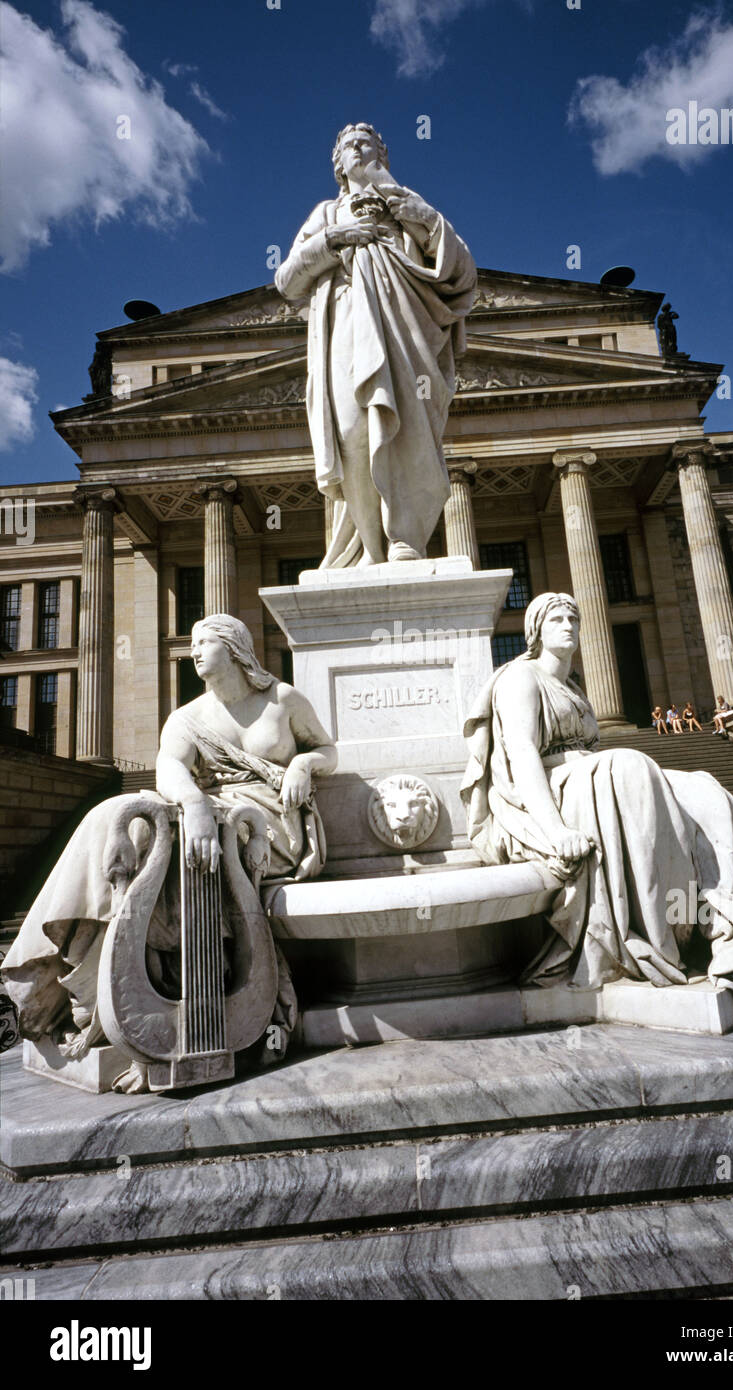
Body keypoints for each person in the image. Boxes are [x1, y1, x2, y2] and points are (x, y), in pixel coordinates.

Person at [1, 616, 337, 1085]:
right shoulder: (188, 717)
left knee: (173, 844)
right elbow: (169, 767)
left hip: (268, 825)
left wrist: (304, 763)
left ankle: (156, 1009)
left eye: (205, 642)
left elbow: (328, 750)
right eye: (192, 643)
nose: (194, 651)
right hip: (214, 813)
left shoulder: (283, 701)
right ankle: (79, 978)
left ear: (235, 646)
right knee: (121, 818)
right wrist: (195, 801)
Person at [461, 593, 733, 1020]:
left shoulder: (573, 688)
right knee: (628, 764)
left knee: (703, 788)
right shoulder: (521, 678)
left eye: (573, 617)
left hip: (591, 778)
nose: (568, 625)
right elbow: (521, 755)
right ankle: (663, 932)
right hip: (549, 791)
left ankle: (722, 925)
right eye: (556, 618)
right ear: (535, 630)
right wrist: (555, 832)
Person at [275, 122, 477, 567]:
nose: (360, 149)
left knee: (403, 430)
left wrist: (422, 218)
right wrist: (334, 241)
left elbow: (463, 276)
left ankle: (405, 538)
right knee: (352, 432)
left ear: (382, 155)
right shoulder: (327, 214)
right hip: (347, 322)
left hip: (406, 329)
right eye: (351, 145)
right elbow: (286, 280)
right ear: (338, 164)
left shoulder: (409, 206)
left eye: (369, 144)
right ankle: (369, 549)